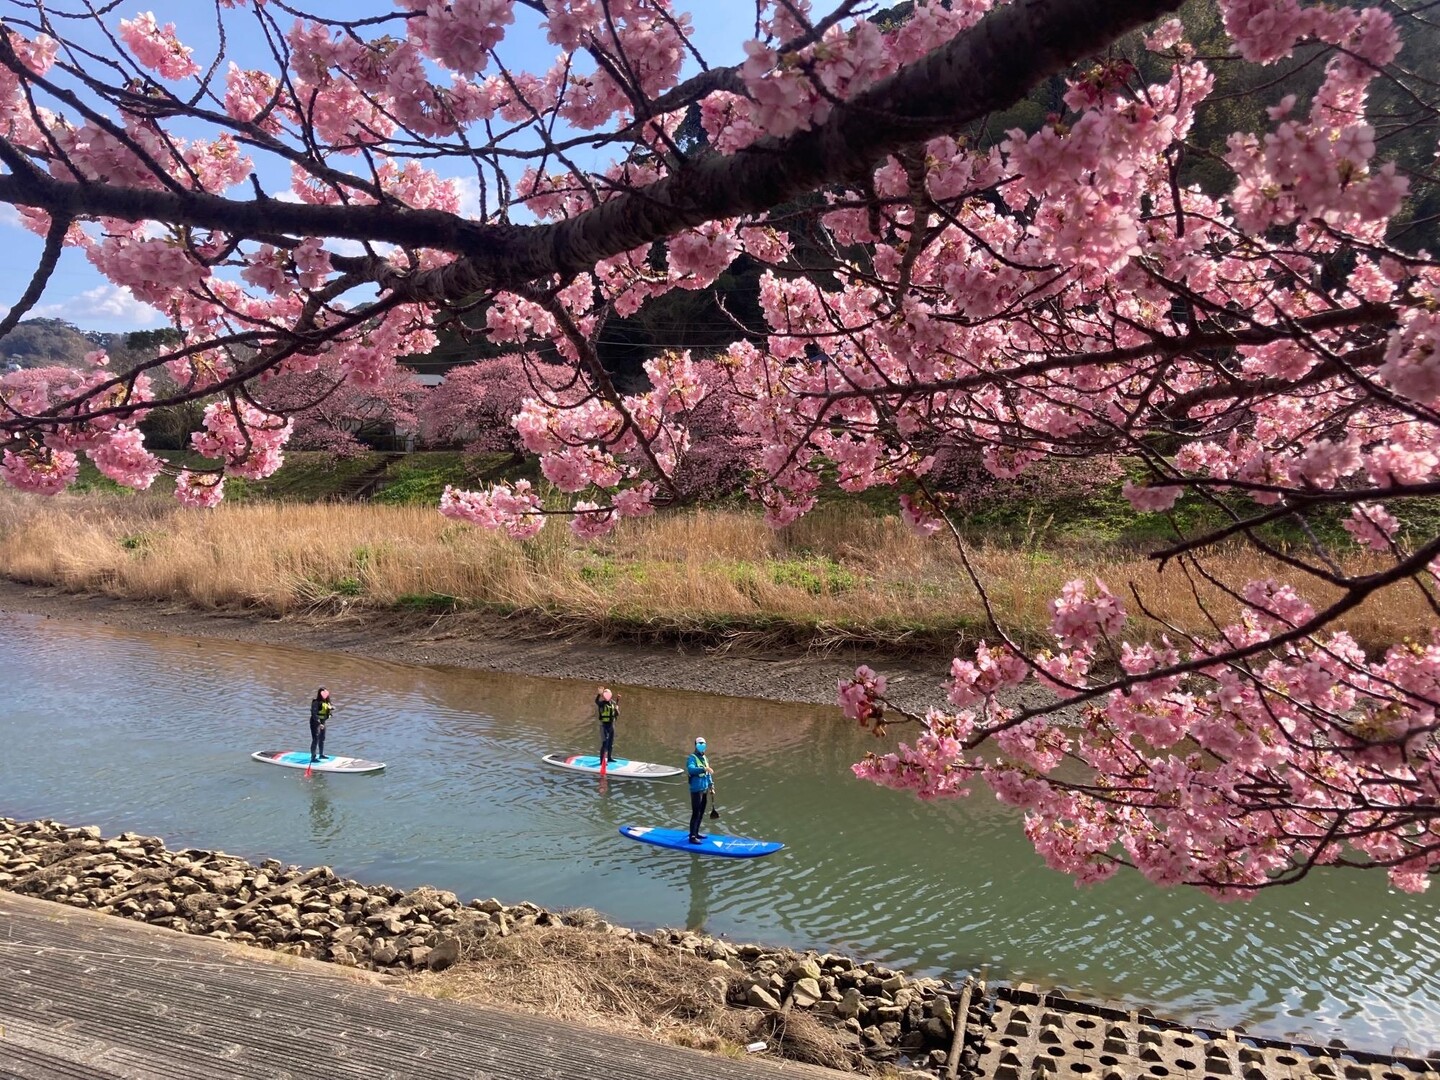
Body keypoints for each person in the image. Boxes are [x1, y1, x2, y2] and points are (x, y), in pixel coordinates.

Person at [686, 737, 713, 843]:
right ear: (696, 746)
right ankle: (692, 836)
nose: (702, 746)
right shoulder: (692, 758)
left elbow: (708, 774)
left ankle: (696, 833)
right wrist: (703, 768)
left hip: (705, 788)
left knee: (701, 813)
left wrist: (711, 786)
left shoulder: (705, 758)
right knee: (696, 813)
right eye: (699, 744)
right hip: (696, 790)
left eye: (703, 744)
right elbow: (691, 769)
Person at [309, 688, 333, 763]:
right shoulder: (316, 702)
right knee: (315, 739)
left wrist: (331, 710)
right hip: (315, 722)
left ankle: (321, 754)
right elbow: (314, 714)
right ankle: (313, 757)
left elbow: (328, 714)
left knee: (322, 738)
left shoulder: (326, 702)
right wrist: (319, 724)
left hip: (323, 722)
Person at [596, 687, 618, 764]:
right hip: (603, 726)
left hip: (611, 725)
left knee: (610, 743)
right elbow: (596, 701)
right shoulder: (601, 703)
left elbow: (617, 714)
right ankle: (602, 761)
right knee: (605, 743)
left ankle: (609, 758)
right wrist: (599, 694)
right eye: (605, 694)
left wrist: (616, 709)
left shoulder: (613, 703)